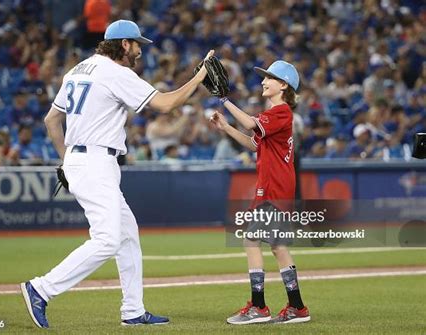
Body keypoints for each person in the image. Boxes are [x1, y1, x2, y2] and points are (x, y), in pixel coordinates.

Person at [20, 19, 213, 328]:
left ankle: (133, 311)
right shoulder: (116, 72)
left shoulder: (79, 69)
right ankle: (41, 288)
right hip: (96, 161)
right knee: (108, 239)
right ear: (124, 44)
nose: (139, 50)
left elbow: (51, 120)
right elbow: (166, 104)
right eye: (137, 44)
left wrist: (66, 161)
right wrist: (200, 76)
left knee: (127, 236)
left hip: (84, 160)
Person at [210, 61, 310, 325]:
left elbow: (253, 124)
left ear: (284, 85)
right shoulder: (276, 115)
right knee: (276, 246)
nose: (264, 81)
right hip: (274, 185)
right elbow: (254, 145)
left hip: (274, 187)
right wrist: (227, 128)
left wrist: (225, 101)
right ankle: (296, 307)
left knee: (252, 240)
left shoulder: (281, 111)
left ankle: (259, 306)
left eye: (270, 78)